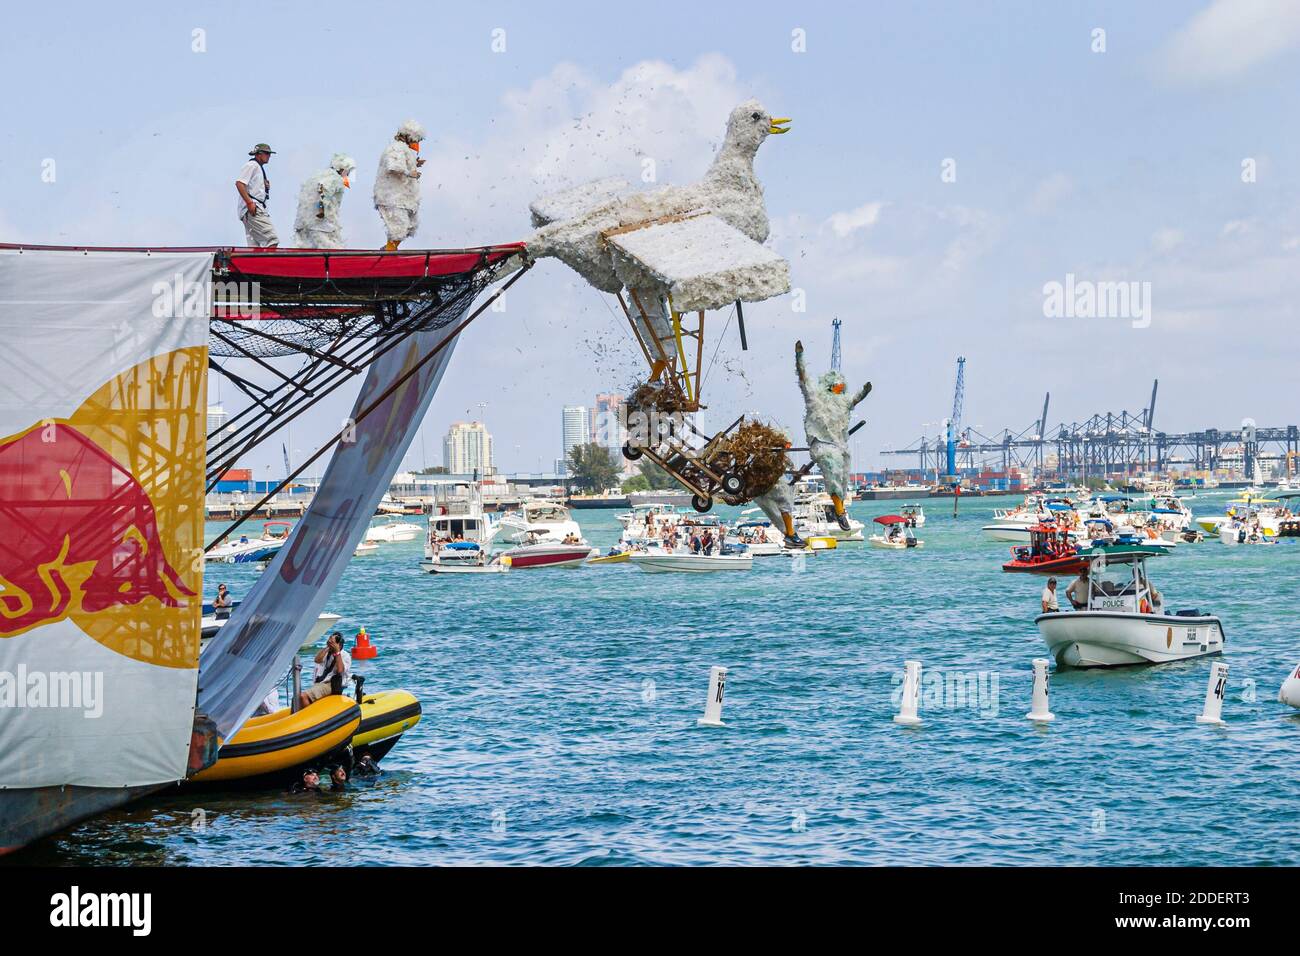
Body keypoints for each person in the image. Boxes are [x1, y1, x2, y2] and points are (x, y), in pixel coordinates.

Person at [795, 338, 872, 530]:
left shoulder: (844, 402)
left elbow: (855, 400)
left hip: (838, 445)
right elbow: (803, 379)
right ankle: (840, 512)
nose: (841, 386)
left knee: (843, 476)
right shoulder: (816, 398)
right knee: (833, 467)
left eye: (842, 384)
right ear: (830, 385)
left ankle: (840, 507)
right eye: (837, 384)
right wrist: (799, 357)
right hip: (821, 444)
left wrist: (864, 391)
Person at [374, 120, 426, 250]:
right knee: (399, 227)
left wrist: (414, 164)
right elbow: (393, 166)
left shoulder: (403, 150)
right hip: (392, 197)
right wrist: (410, 172)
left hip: (402, 197)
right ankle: (388, 253)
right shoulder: (396, 148)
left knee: (410, 226)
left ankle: (389, 249)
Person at [293, 152, 357, 249]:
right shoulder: (336, 179)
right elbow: (322, 190)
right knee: (333, 254)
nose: (348, 173)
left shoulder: (317, 177)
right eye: (348, 170)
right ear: (343, 169)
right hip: (321, 226)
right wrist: (321, 210)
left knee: (306, 255)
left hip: (304, 224)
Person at [236, 143, 279, 248]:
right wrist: (249, 202)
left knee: (255, 247)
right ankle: (269, 263)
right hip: (253, 207)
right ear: (259, 154)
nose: (269, 156)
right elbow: (239, 183)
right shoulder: (252, 165)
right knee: (272, 239)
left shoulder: (257, 167)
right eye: (267, 153)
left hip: (252, 208)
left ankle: (257, 264)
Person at [299, 632, 351, 709]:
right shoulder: (327, 652)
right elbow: (317, 660)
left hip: (332, 684)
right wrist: (328, 647)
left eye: (333, 642)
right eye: (330, 640)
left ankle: (311, 718)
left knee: (303, 696)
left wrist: (337, 652)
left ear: (339, 645)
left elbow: (340, 670)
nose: (331, 643)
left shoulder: (345, 655)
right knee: (296, 699)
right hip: (321, 682)